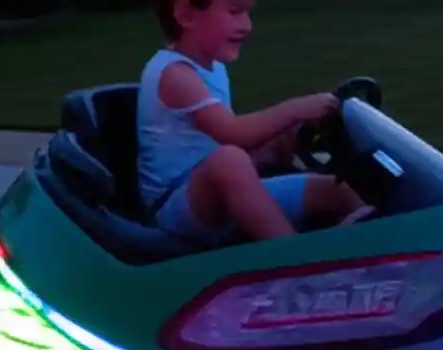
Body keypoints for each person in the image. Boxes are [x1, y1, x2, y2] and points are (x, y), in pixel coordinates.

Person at [138, 0, 372, 245]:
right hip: (177, 207)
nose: (247, 26)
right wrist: (296, 109)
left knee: (336, 189)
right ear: (187, 15)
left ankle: (371, 237)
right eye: (235, 12)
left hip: (219, 190)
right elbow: (233, 133)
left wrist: (293, 129)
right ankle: (293, 254)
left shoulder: (212, 66)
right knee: (230, 160)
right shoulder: (176, 76)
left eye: (248, 14)